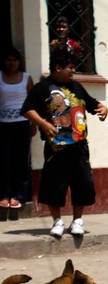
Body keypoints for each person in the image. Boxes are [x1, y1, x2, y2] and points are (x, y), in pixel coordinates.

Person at [21, 48, 108, 237]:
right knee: (54, 184)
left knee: (82, 183)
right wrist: (43, 124)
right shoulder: (42, 87)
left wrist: (103, 108)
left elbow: (93, 104)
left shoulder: (76, 87)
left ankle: (77, 221)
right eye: (70, 68)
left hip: (79, 146)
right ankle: (57, 221)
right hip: (56, 148)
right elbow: (27, 109)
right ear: (58, 68)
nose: (73, 71)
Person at [0, 47, 34, 212]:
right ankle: (5, 194)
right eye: (8, 59)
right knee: (5, 160)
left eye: (14, 60)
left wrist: (34, 124)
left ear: (19, 62)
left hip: (22, 124)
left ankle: (19, 195)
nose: (11, 63)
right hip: (3, 124)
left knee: (21, 160)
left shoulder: (26, 79)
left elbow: (33, 103)